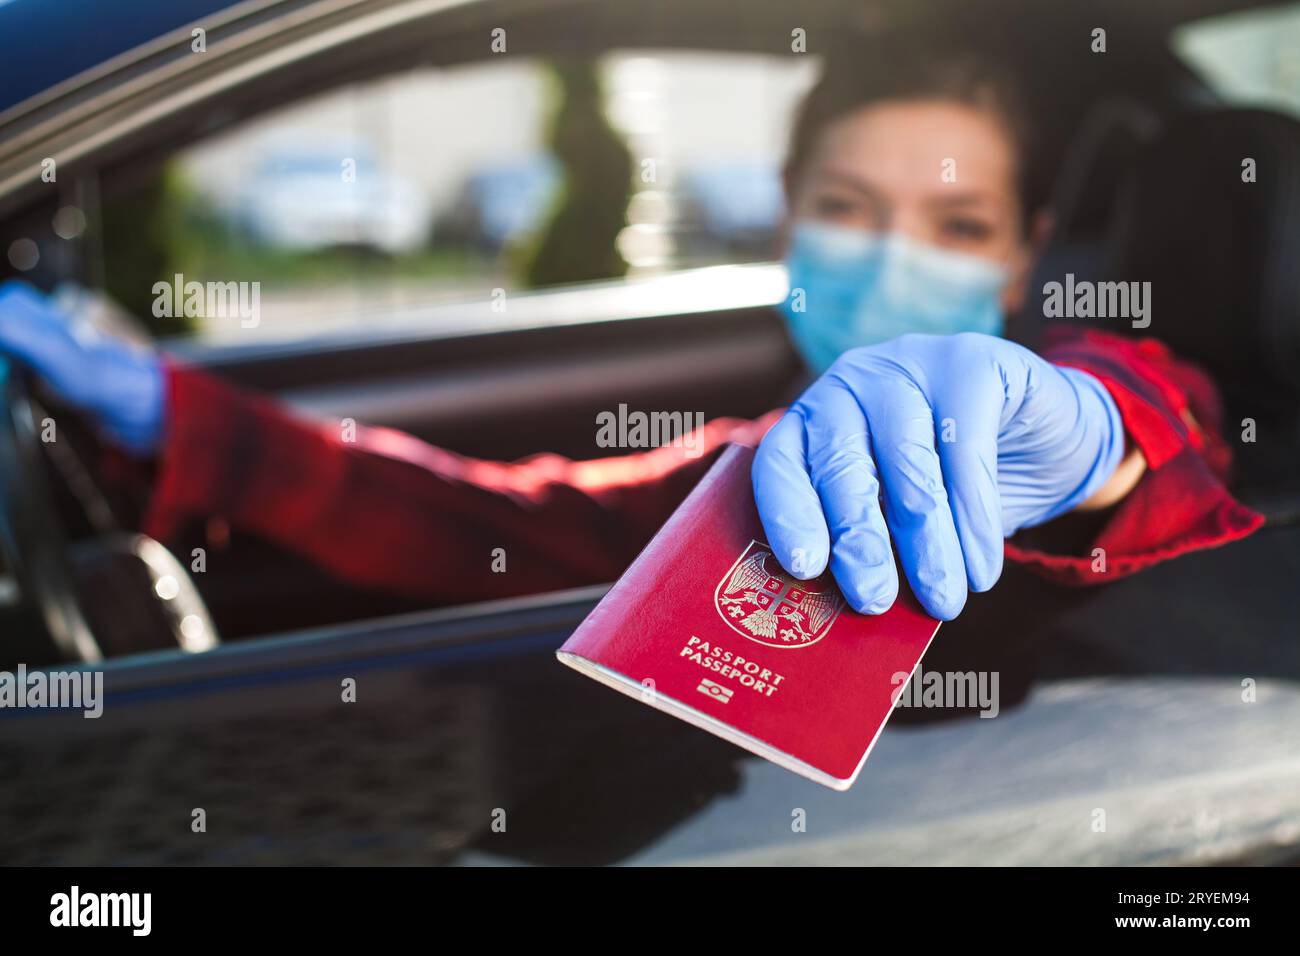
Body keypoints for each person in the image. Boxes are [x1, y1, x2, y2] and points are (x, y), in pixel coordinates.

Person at [0, 46, 1262, 626]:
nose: (888, 253)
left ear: (1028, 249)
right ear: (784, 213)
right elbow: (487, 524)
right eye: (845, 207)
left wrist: (1095, 434)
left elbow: (1170, 412)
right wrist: (175, 411)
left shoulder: (1064, 384)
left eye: (956, 221)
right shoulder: (744, 461)